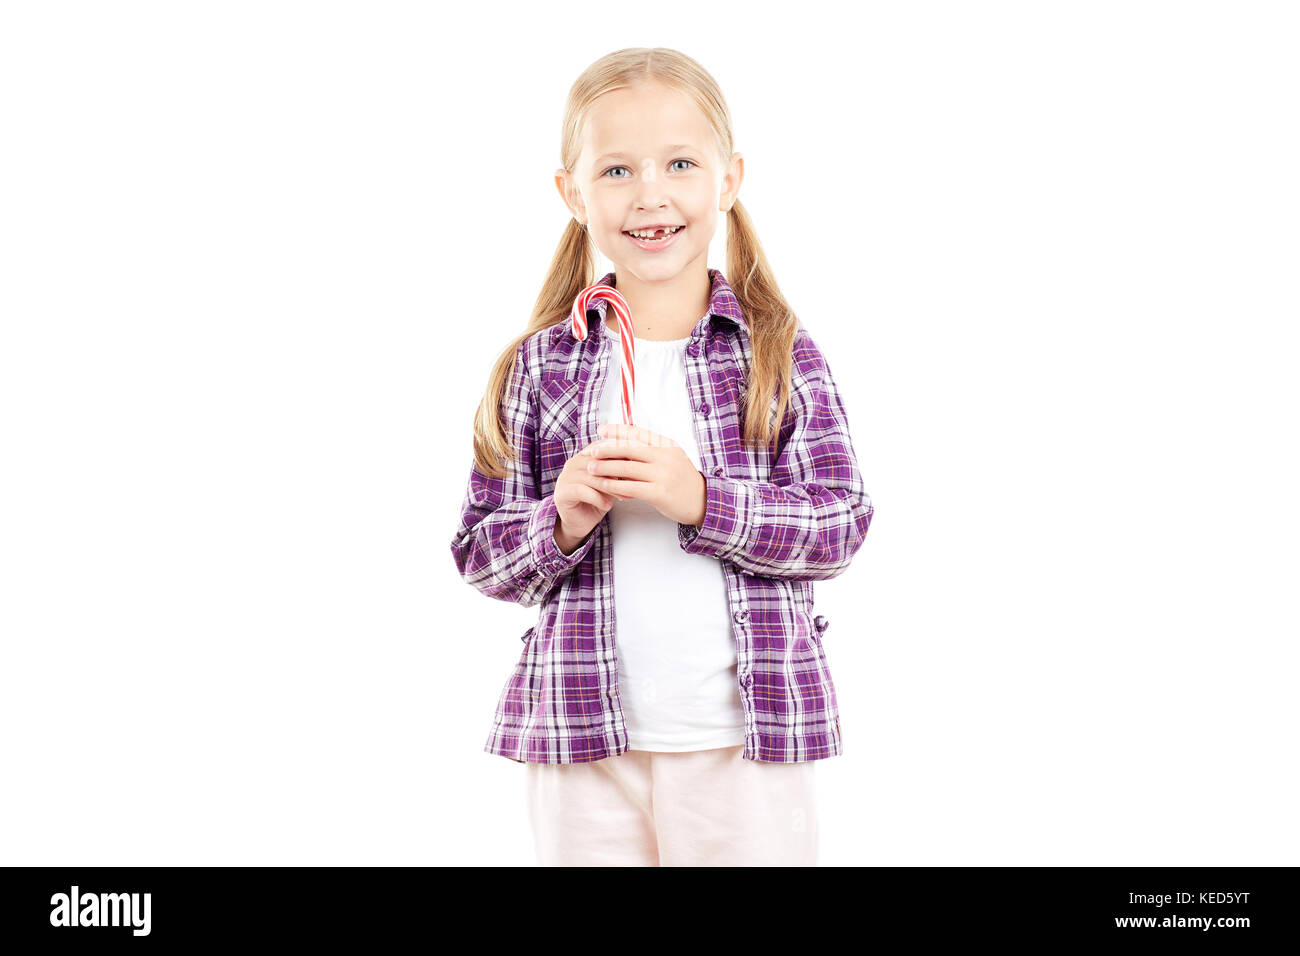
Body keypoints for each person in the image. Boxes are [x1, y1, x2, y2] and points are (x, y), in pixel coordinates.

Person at [450, 47, 873, 866]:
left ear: (729, 179)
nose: (650, 194)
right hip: (582, 738)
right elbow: (478, 552)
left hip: (746, 741)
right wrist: (560, 520)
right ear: (572, 193)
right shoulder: (540, 366)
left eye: (680, 163)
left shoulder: (778, 354)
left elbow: (842, 523)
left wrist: (703, 501)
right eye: (615, 170)